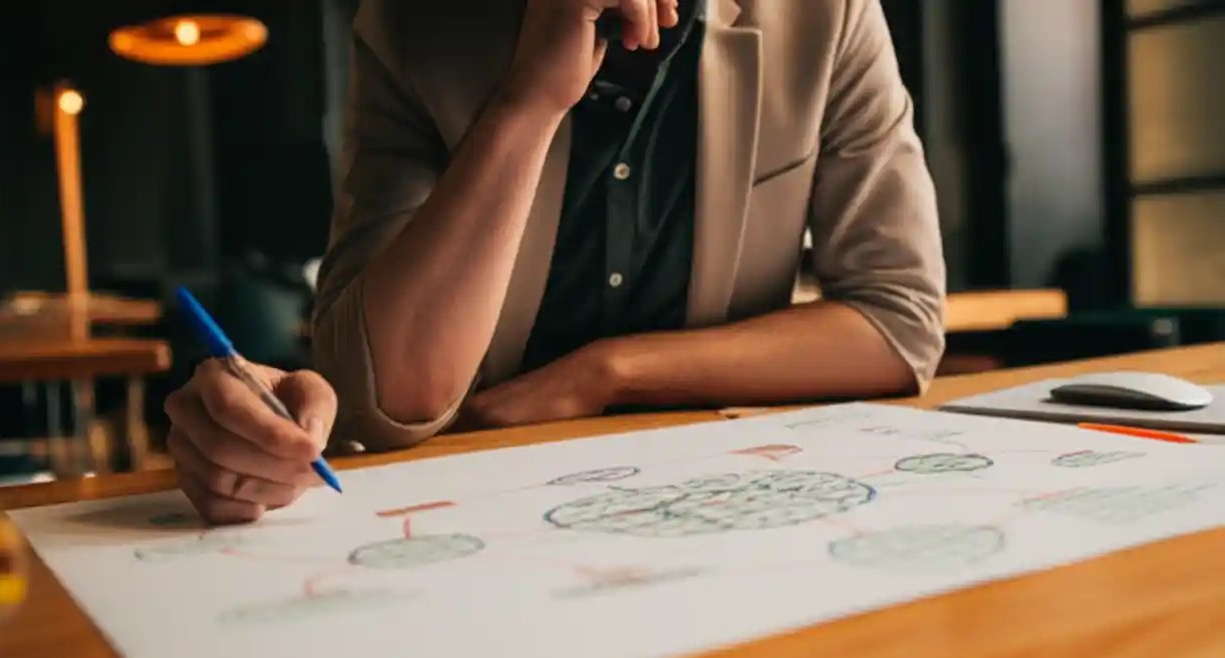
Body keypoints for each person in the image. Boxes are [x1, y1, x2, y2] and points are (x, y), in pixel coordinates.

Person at [165, 0, 945, 524]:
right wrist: (528, 100)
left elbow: (899, 322)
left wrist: (606, 372)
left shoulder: (829, 15)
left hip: (725, 501)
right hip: (489, 515)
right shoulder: (412, 25)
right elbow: (387, 401)